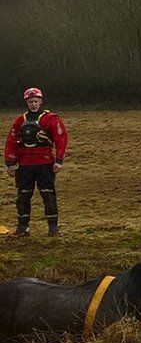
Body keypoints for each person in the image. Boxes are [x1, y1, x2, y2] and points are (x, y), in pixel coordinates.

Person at [4, 88, 69, 237]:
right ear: (26, 102)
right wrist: (10, 163)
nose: (33, 104)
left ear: (41, 102)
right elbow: (11, 142)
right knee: (23, 195)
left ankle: (53, 228)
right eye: (30, 102)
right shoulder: (20, 120)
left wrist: (59, 160)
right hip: (25, 164)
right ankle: (23, 228)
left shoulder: (51, 119)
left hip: (44, 163)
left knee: (48, 194)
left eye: (36, 101)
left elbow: (61, 139)